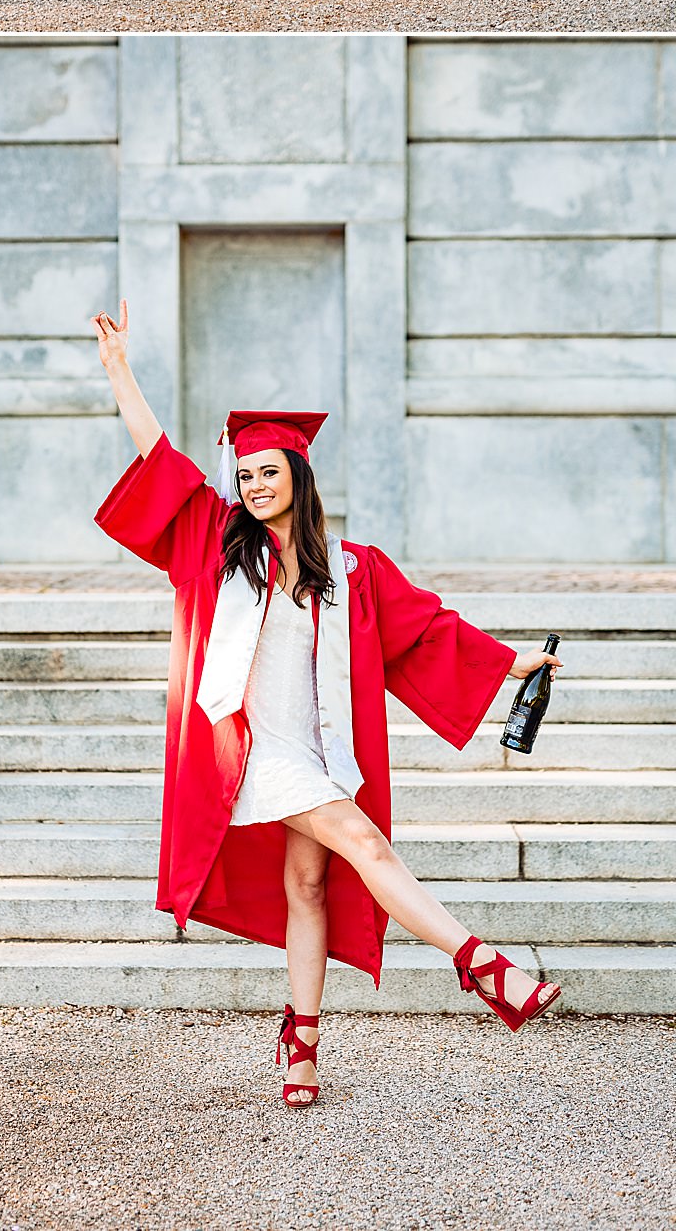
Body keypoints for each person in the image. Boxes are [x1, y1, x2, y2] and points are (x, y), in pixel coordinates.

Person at [87, 303, 565, 1105]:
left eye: (268, 473)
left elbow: (426, 630)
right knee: (367, 844)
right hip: (250, 752)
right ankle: (486, 967)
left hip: (317, 752)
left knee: (307, 888)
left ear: (299, 478)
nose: (254, 486)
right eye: (245, 475)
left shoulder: (352, 571)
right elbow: (157, 456)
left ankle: (300, 1045)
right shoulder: (215, 544)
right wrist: (118, 371)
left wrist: (512, 662)